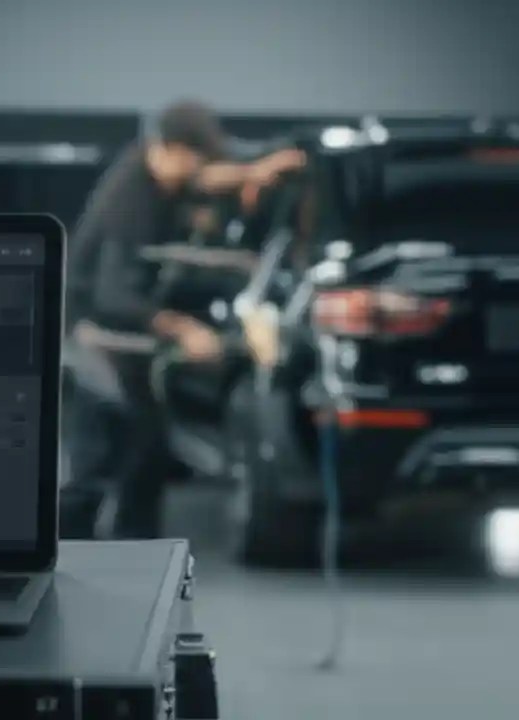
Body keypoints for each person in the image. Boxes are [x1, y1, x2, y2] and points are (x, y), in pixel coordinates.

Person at [61, 99, 306, 539]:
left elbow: (205, 177)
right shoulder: (130, 201)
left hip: (128, 345)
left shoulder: (158, 171)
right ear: (168, 149)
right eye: (194, 162)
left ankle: (137, 555)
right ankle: (65, 551)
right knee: (98, 464)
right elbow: (112, 296)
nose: (200, 175)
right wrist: (183, 329)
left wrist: (254, 171)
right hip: (95, 342)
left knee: (148, 457)